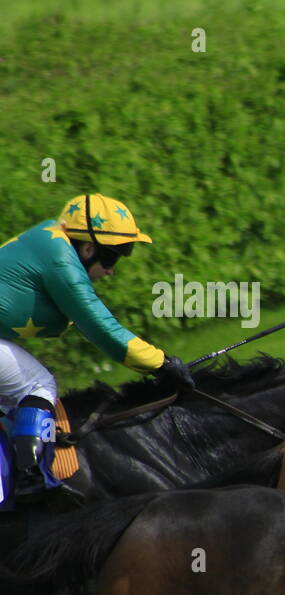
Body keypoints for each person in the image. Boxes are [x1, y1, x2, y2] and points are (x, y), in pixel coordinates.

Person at [0, 193, 194, 506]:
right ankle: (30, 479)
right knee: (39, 385)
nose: (111, 270)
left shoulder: (50, 239)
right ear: (88, 248)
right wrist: (162, 364)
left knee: (14, 397)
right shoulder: (61, 259)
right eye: (113, 257)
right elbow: (102, 329)